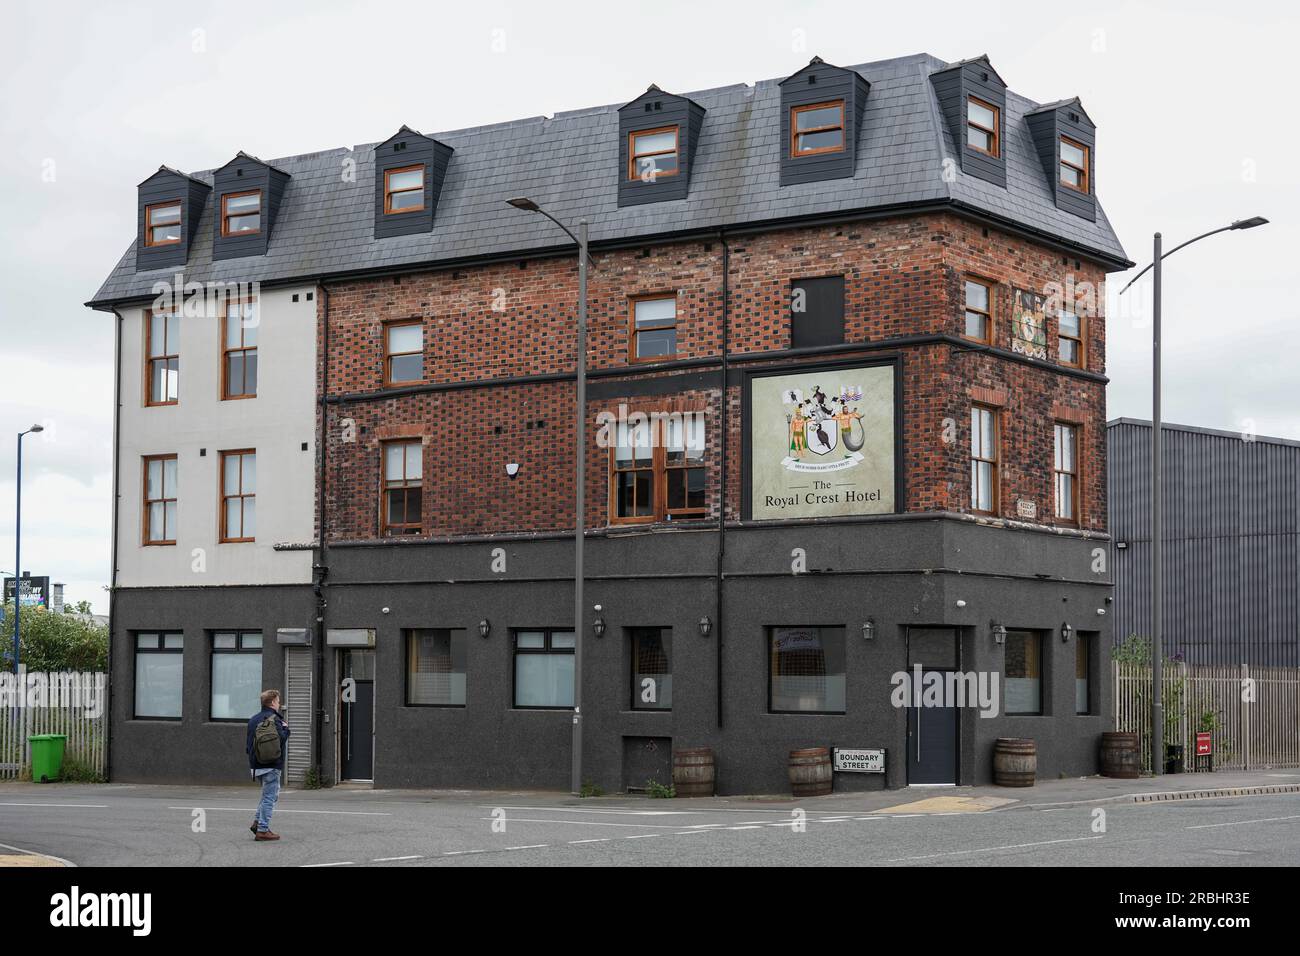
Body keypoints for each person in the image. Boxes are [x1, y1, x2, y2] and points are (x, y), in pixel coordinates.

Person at [246, 689, 290, 841]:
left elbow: (248, 745)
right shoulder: (274, 719)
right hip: (272, 764)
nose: (279, 704)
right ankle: (263, 830)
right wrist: (286, 729)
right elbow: (280, 741)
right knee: (270, 797)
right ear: (272, 702)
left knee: (267, 796)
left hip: (256, 764)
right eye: (278, 701)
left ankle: (257, 823)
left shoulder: (253, 719)